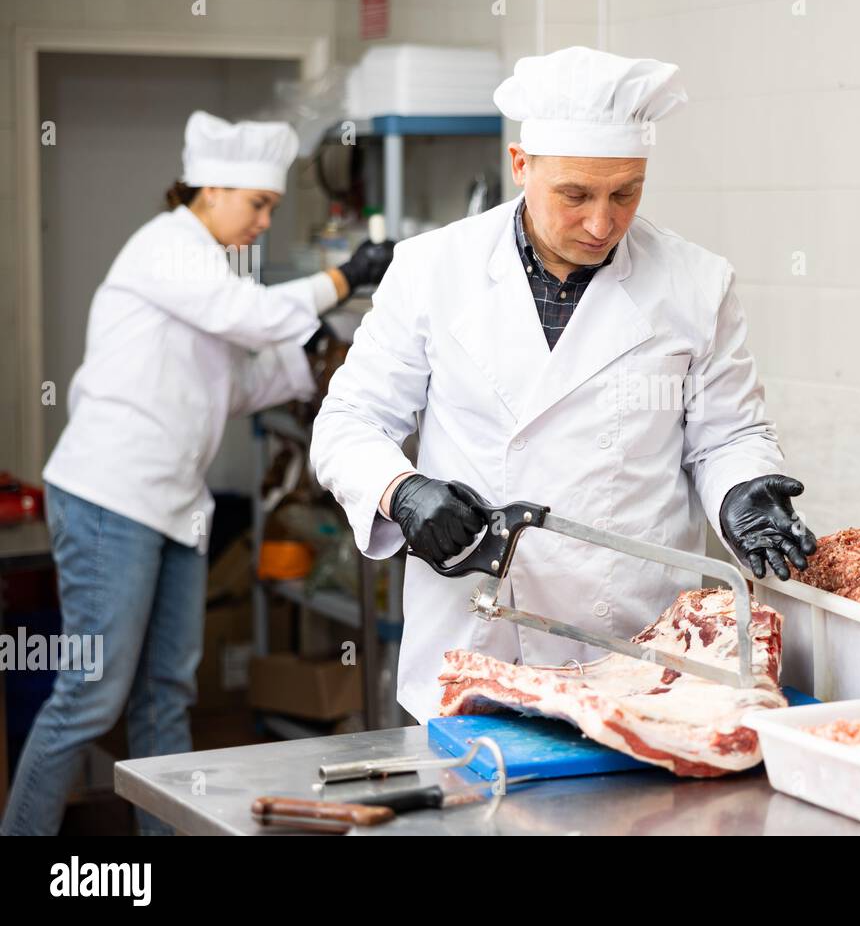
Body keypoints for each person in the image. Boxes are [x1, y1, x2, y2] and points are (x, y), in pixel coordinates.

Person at [311, 47, 816, 722]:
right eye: (575, 195)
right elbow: (349, 422)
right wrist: (400, 492)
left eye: (625, 193)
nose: (601, 224)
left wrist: (742, 488)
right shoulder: (432, 268)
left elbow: (728, 437)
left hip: (631, 653)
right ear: (522, 167)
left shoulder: (696, 284)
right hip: (472, 643)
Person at [1, 111, 394, 836]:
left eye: (271, 207)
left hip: (177, 506)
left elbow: (230, 386)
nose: (264, 222)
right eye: (259, 205)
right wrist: (344, 277)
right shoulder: (169, 250)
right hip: (108, 499)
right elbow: (248, 317)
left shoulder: (210, 268)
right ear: (211, 188)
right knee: (90, 696)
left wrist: (329, 365)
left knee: (165, 695)